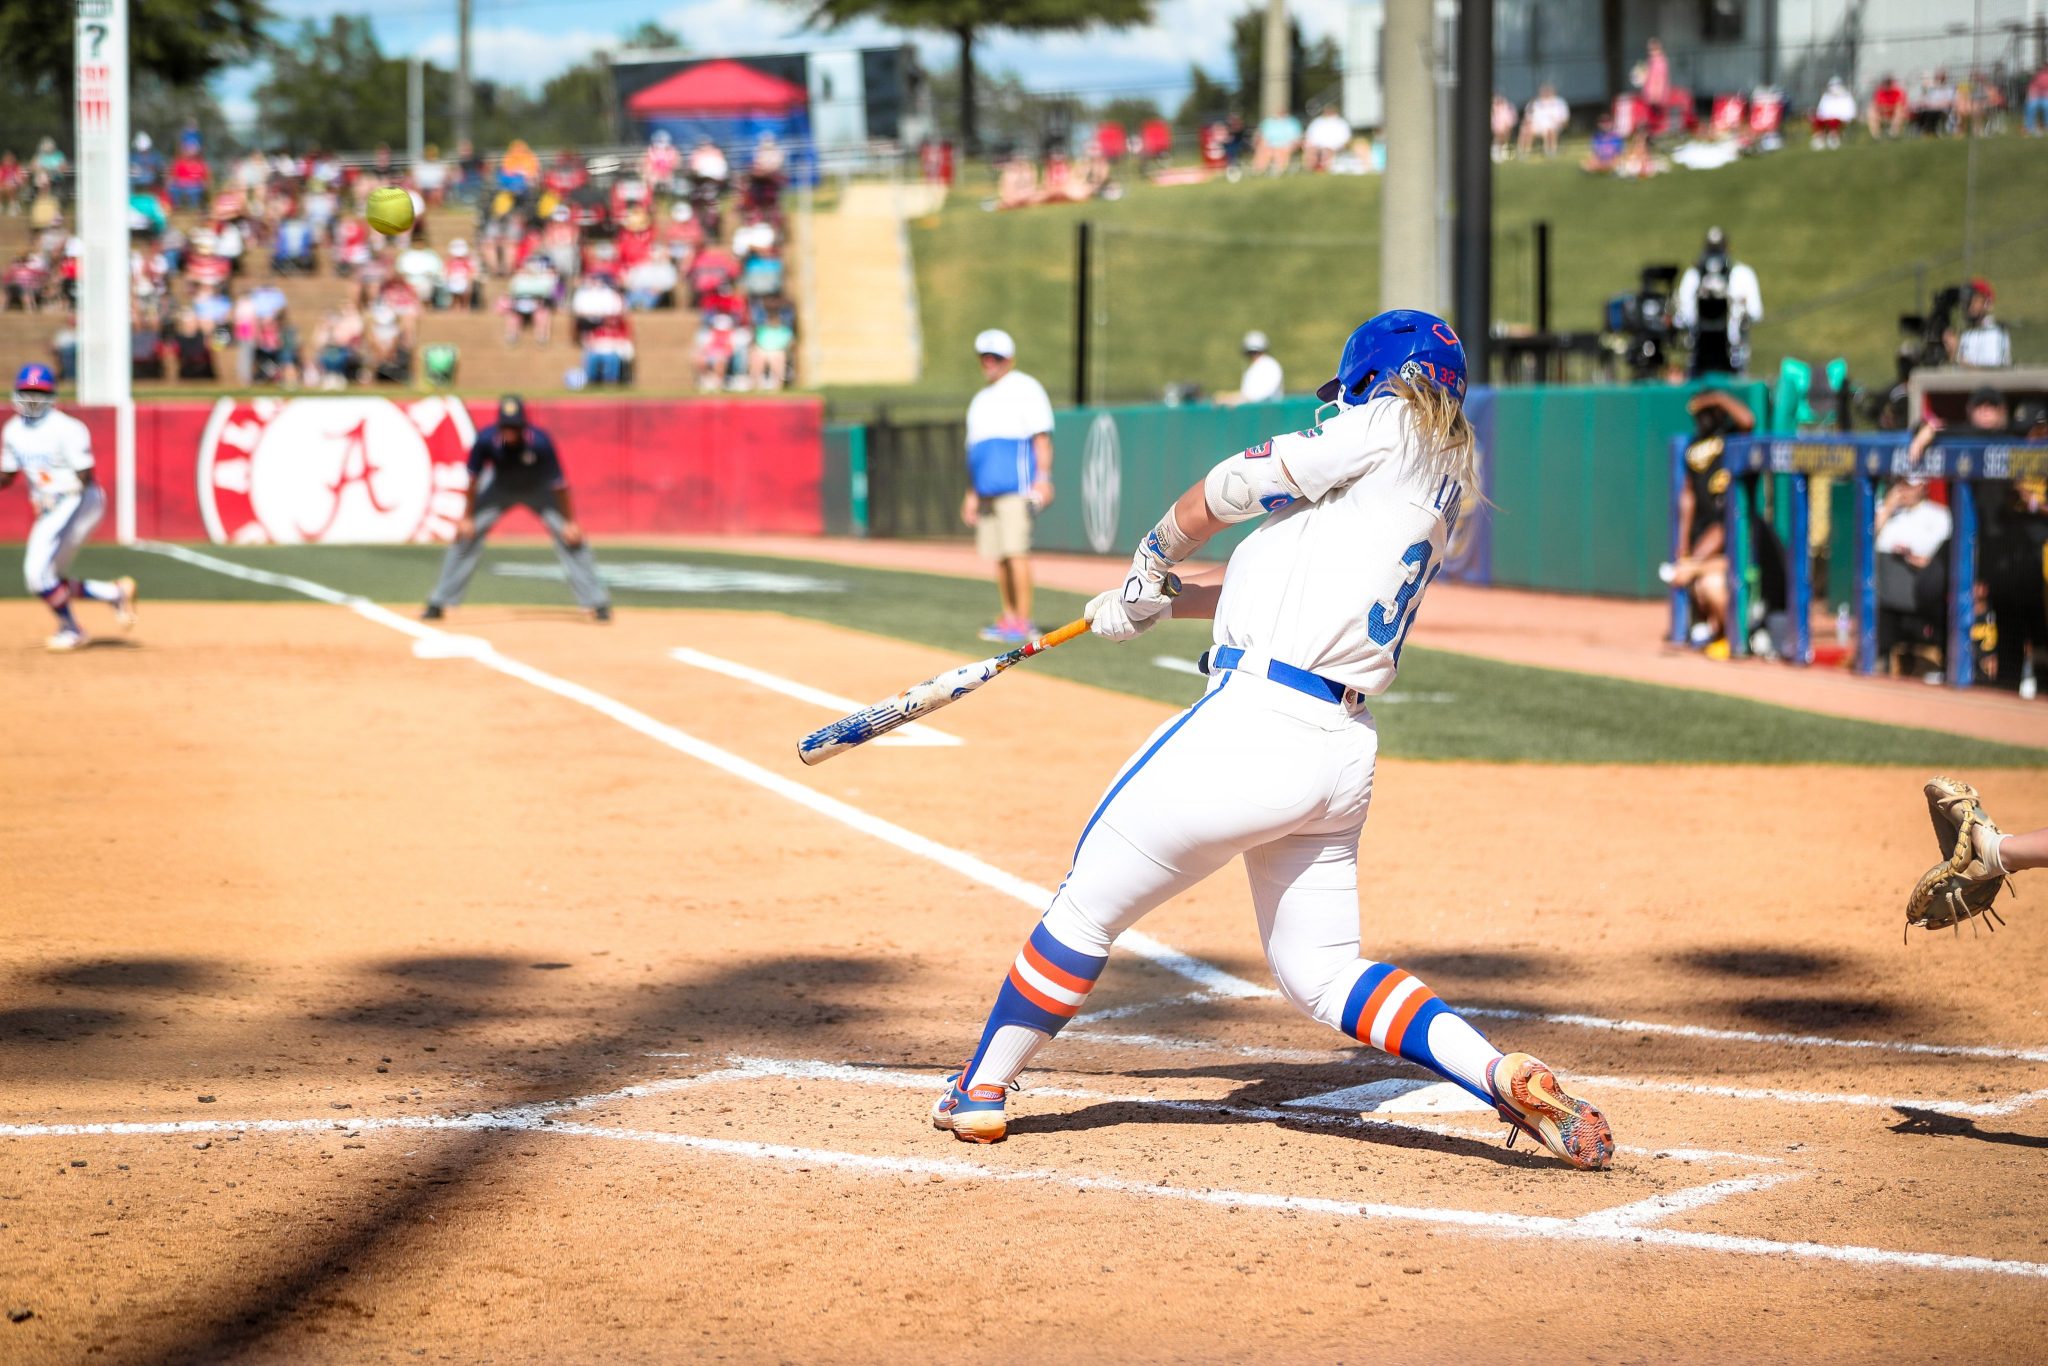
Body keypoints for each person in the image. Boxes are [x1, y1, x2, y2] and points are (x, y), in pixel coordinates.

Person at [929, 311, 1614, 1171]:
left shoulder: (1385, 423)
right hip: (1338, 749)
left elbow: (1227, 488)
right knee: (1322, 973)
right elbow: (1273, 576)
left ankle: (980, 1089)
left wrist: (1153, 548)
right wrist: (1150, 599)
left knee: (1085, 902)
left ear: (1372, 381)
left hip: (1254, 725)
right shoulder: (1429, 473)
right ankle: (1495, 1070)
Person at [422, 396, 611, 623]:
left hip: (538, 488)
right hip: (500, 486)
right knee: (465, 536)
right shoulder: (486, 440)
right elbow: (473, 480)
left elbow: (559, 485)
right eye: (506, 427)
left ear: (524, 426)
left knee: (571, 537)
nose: (511, 432)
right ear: (499, 426)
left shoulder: (539, 442)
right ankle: (439, 601)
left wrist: (570, 522)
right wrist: (467, 518)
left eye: (515, 427)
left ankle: (597, 601)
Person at [0, 364, 136, 651]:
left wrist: (55, 491)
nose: (33, 398)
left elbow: (85, 476)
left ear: (51, 395)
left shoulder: (67, 428)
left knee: (37, 575)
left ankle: (72, 629)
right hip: (52, 506)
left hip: (77, 501)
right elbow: (7, 475)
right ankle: (114, 593)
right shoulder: (13, 430)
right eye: (27, 392)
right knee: (46, 578)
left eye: (39, 392)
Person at [961, 328, 1055, 644]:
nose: (989, 362)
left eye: (996, 357)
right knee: (999, 555)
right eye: (985, 356)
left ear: (1009, 359)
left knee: (1016, 552)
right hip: (987, 491)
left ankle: (1023, 621)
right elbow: (977, 454)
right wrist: (972, 493)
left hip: (1016, 489)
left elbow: (1041, 439)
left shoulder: (1025, 388)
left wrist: (1043, 479)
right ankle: (1009, 616)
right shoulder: (979, 400)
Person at [1674, 227, 1763, 377]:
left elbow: (1755, 312)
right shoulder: (1693, 275)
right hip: (1699, 358)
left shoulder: (1742, 274)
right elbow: (1681, 318)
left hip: (1734, 357)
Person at [1947, 282, 2012, 369]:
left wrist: (1957, 355)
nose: (1970, 305)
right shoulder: (1966, 332)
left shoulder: (1994, 333)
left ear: (1987, 304)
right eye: (1968, 300)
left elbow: (1990, 374)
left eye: (1975, 300)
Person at [1219, 330, 1284, 405]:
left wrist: (1234, 398)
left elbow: (1260, 395)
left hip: (1269, 413)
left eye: (1256, 352)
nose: (1254, 356)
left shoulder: (1270, 365)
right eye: (1251, 353)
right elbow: (1248, 394)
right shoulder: (1254, 368)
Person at [1812, 77, 1856, 148]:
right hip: (1827, 118)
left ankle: (1833, 139)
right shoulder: (1826, 97)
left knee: (1833, 121)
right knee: (1817, 121)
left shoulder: (1847, 96)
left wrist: (1842, 117)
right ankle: (1820, 140)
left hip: (1839, 119)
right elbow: (1821, 111)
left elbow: (1850, 112)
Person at [1869, 74, 1909, 138]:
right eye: (1885, 82)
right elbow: (1876, 105)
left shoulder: (1898, 91)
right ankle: (1876, 136)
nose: (1887, 85)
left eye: (1888, 82)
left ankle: (1893, 133)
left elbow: (1899, 105)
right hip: (1882, 113)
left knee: (1898, 111)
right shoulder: (1879, 91)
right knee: (1872, 112)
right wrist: (1886, 108)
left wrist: (1886, 107)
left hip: (1894, 114)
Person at [2026, 65, 2048, 137]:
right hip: (2036, 96)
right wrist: (2031, 95)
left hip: (2045, 97)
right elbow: (2032, 88)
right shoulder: (2037, 77)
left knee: (2046, 106)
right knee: (2031, 105)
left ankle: (2046, 125)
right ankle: (2030, 126)